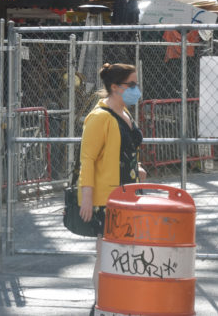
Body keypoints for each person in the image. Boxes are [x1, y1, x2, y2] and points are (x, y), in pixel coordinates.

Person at [78, 62, 146, 314]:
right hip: (107, 197)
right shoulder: (99, 117)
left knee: (123, 250)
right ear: (115, 87)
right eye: (132, 84)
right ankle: (101, 304)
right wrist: (87, 197)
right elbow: (88, 158)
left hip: (129, 193)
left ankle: (116, 300)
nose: (136, 90)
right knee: (105, 251)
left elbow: (124, 150)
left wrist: (136, 167)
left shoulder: (125, 113)